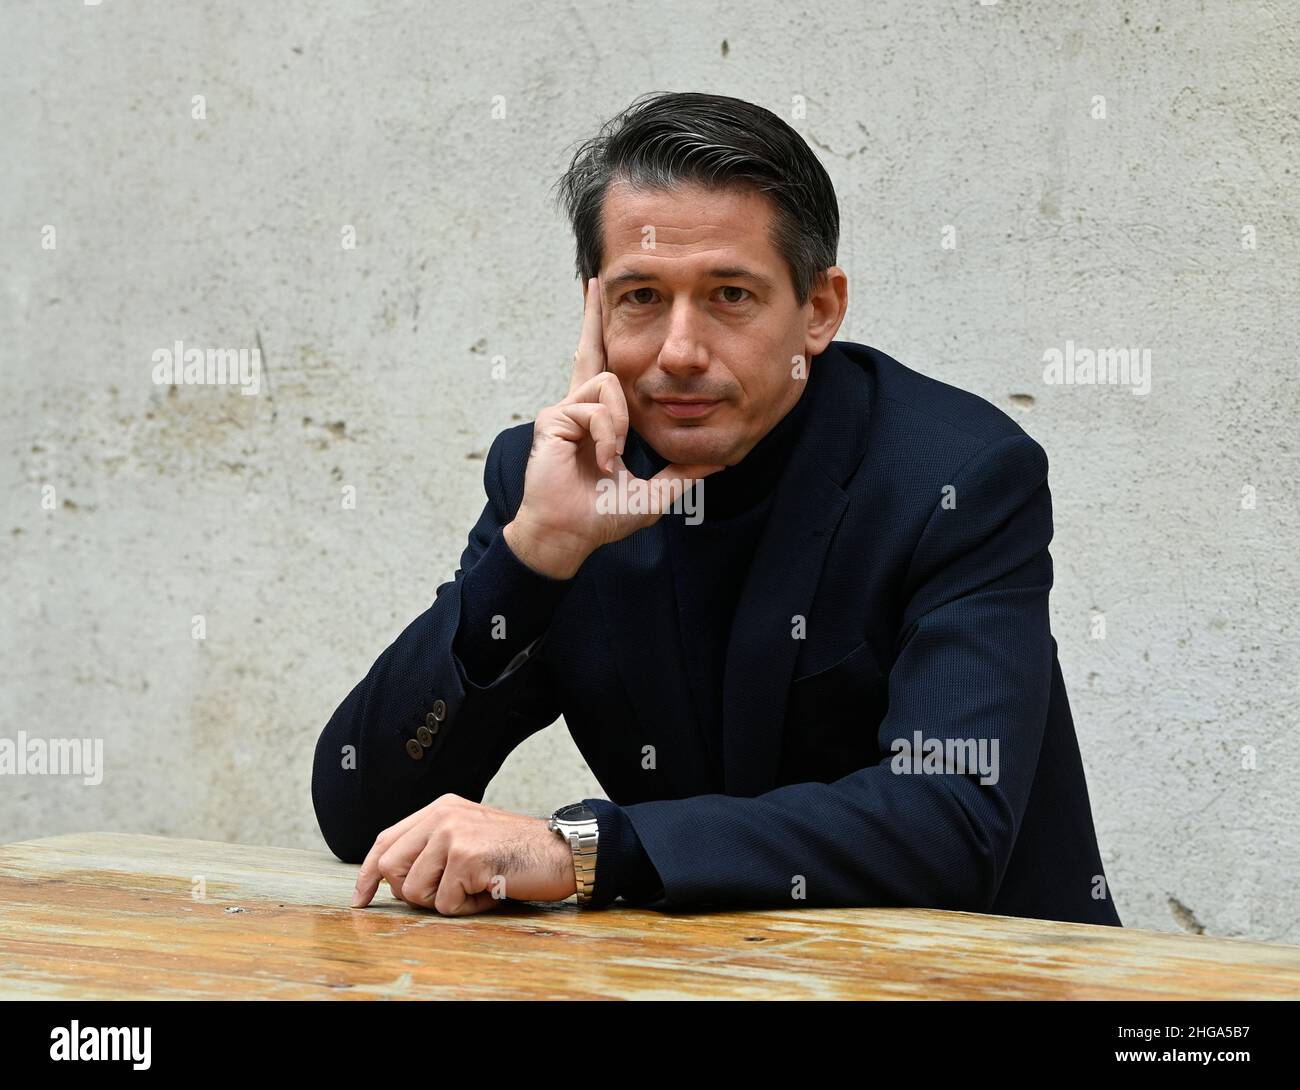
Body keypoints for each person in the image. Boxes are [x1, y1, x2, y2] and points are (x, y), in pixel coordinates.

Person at [311, 91, 1121, 926]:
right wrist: (535, 554)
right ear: (594, 308)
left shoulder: (955, 478)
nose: (681, 352)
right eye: (641, 298)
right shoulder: (554, 482)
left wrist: (584, 849)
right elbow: (359, 809)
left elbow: (951, 824)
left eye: (731, 295)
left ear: (819, 309)